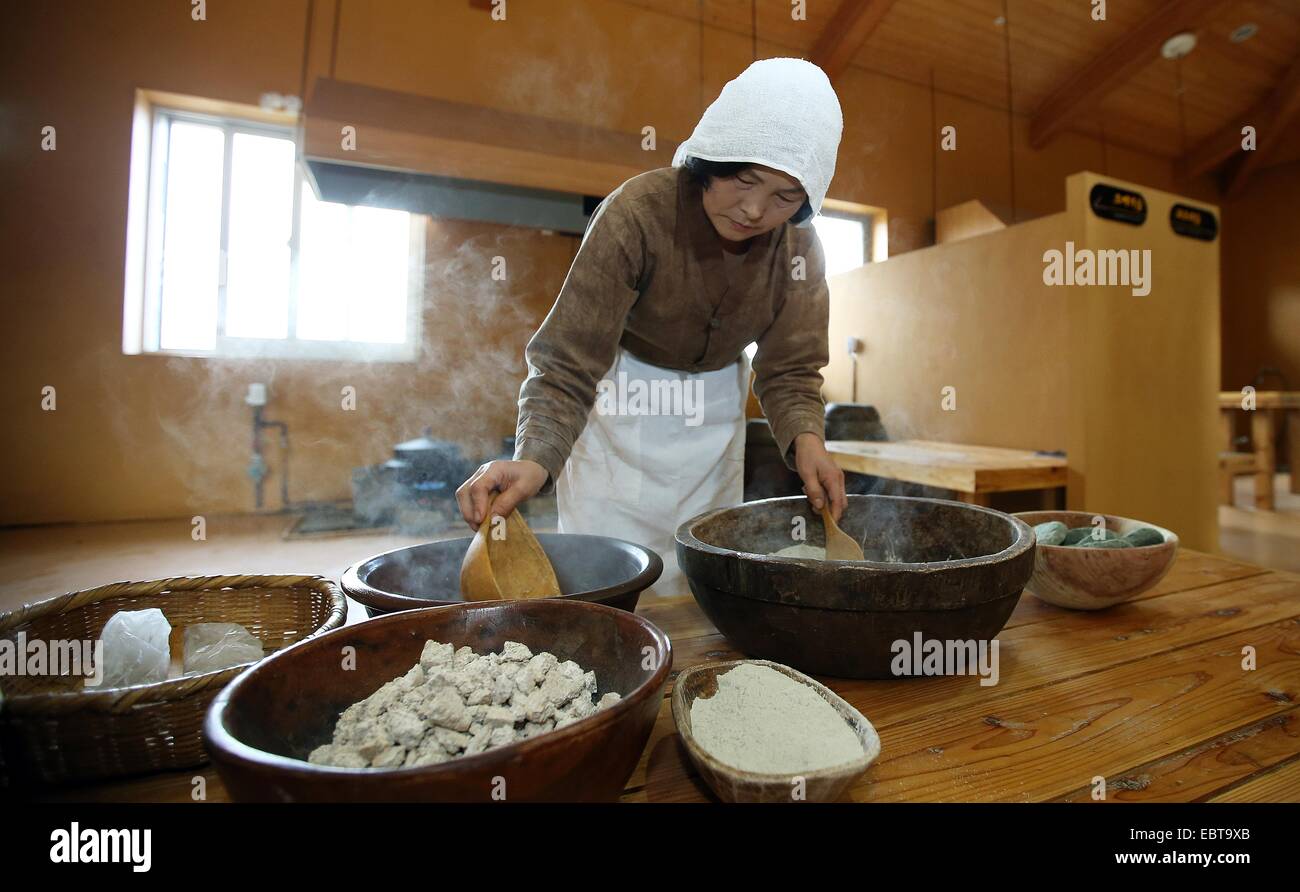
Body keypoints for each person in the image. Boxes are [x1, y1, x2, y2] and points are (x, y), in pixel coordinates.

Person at [456, 57, 847, 595]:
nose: (755, 209)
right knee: (610, 579)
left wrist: (808, 439)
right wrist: (535, 458)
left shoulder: (799, 249)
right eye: (743, 179)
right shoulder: (638, 213)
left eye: (784, 197)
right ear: (710, 158)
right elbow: (569, 358)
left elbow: (791, 369)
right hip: (619, 404)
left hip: (714, 421)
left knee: (702, 580)